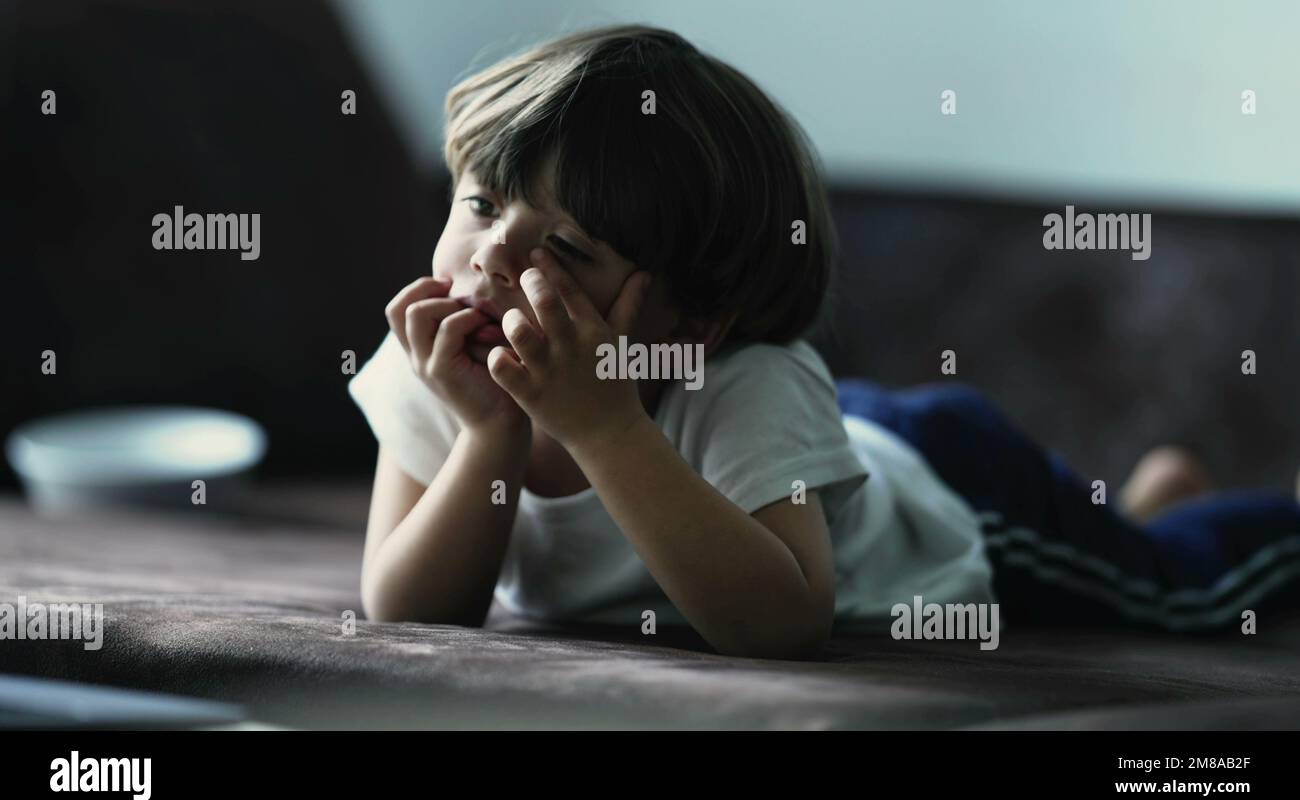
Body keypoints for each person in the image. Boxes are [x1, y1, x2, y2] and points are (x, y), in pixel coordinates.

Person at [348, 24, 1300, 659]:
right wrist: (490, 440)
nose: (495, 256)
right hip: (810, 451)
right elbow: (410, 613)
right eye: (479, 202)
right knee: (1133, 536)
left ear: (691, 320)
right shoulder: (443, 364)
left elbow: (783, 620)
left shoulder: (746, 381)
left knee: (1172, 590)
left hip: (951, 489)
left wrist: (604, 420)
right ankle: (1147, 496)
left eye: (566, 247)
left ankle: (1209, 515)